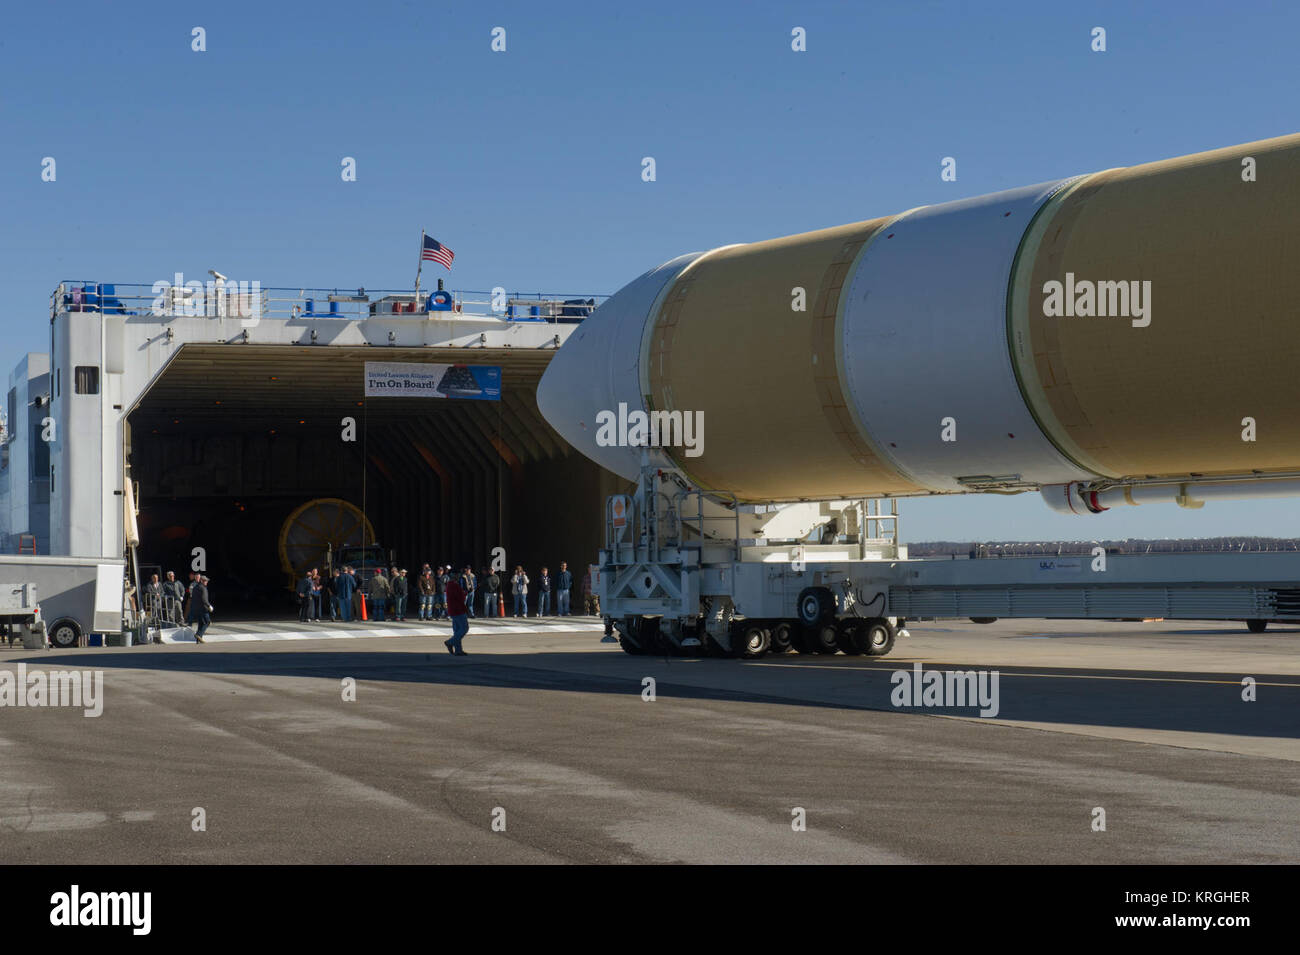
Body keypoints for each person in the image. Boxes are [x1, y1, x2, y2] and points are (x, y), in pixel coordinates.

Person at [444, 565, 471, 656]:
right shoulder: (453, 585)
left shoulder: (450, 585)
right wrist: (465, 593)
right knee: (464, 628)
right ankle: (450, 642)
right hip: (458, 610)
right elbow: (459, 598)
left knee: (457, 630)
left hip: (453, 610)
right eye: (458, 574)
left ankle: (458, 650)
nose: (459, 576)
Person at [189, 575, 213, 643]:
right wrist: (209, 606)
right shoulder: (203, 588)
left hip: (196, 609)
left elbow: (193, 598)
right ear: (202, 581)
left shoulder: (195, 587)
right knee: (207, 622)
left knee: (201, 623)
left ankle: (198, 640)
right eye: (205, 581)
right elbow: (204, 599)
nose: (207, 582)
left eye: (207, 581)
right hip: (203, 608)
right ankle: (198, 634)